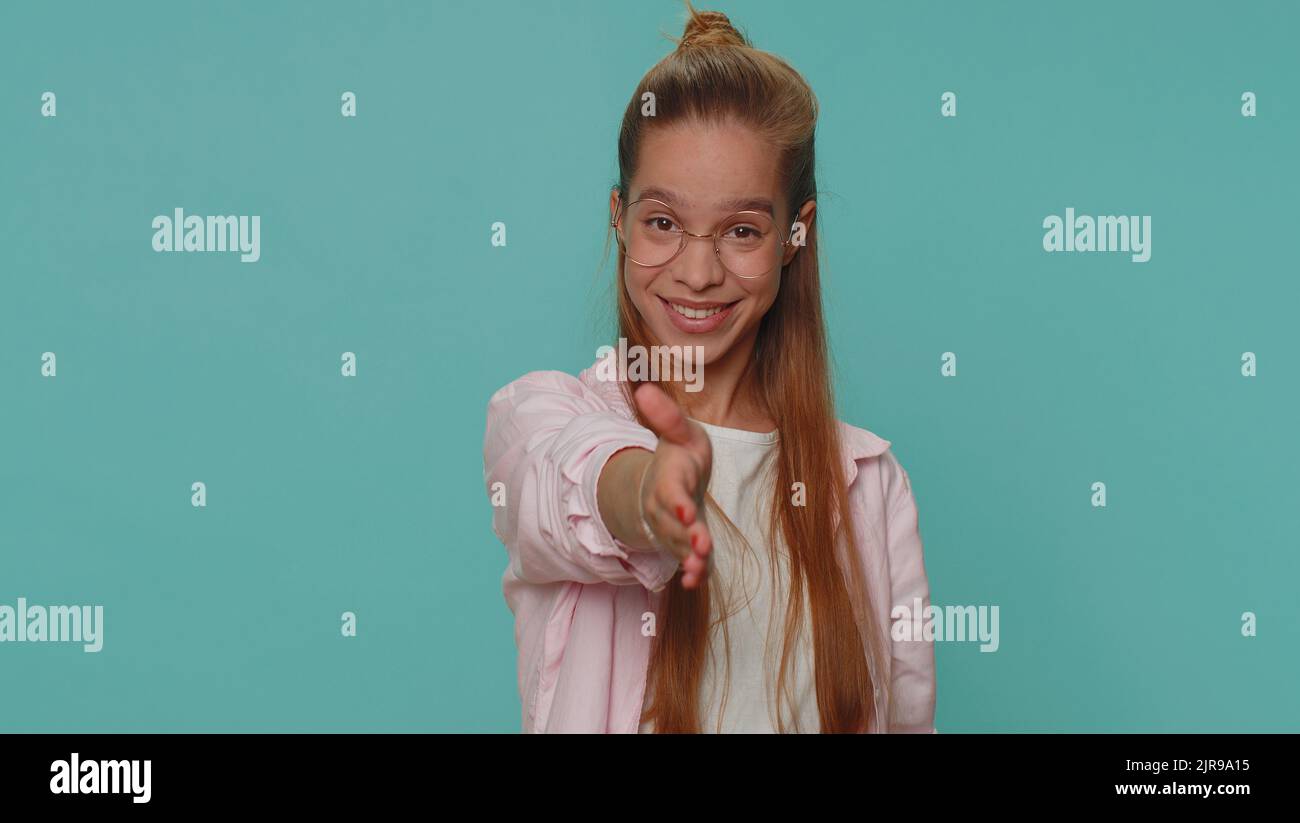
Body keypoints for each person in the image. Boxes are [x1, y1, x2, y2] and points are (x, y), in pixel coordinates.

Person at [483, 1, 936, 734]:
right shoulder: (542, 416)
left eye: (741, 230)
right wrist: (646, 492)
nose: (697, 270)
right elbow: (566, 482)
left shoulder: (871, 485)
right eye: (662, 221)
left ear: (796, 234)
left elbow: (912, 721)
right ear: (617, 218)